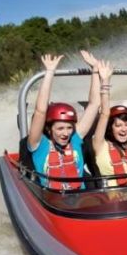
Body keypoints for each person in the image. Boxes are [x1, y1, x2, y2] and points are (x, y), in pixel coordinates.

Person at [27, 51, 101, 189]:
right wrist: (49, 72)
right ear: (49, 129)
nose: (66, 133)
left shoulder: (75, 138)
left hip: (82, 200)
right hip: (53, 203)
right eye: (60, 128)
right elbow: (40, 111)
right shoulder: (38, 143)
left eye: (69, 128)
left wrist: (95, 70)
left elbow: (94, 104)